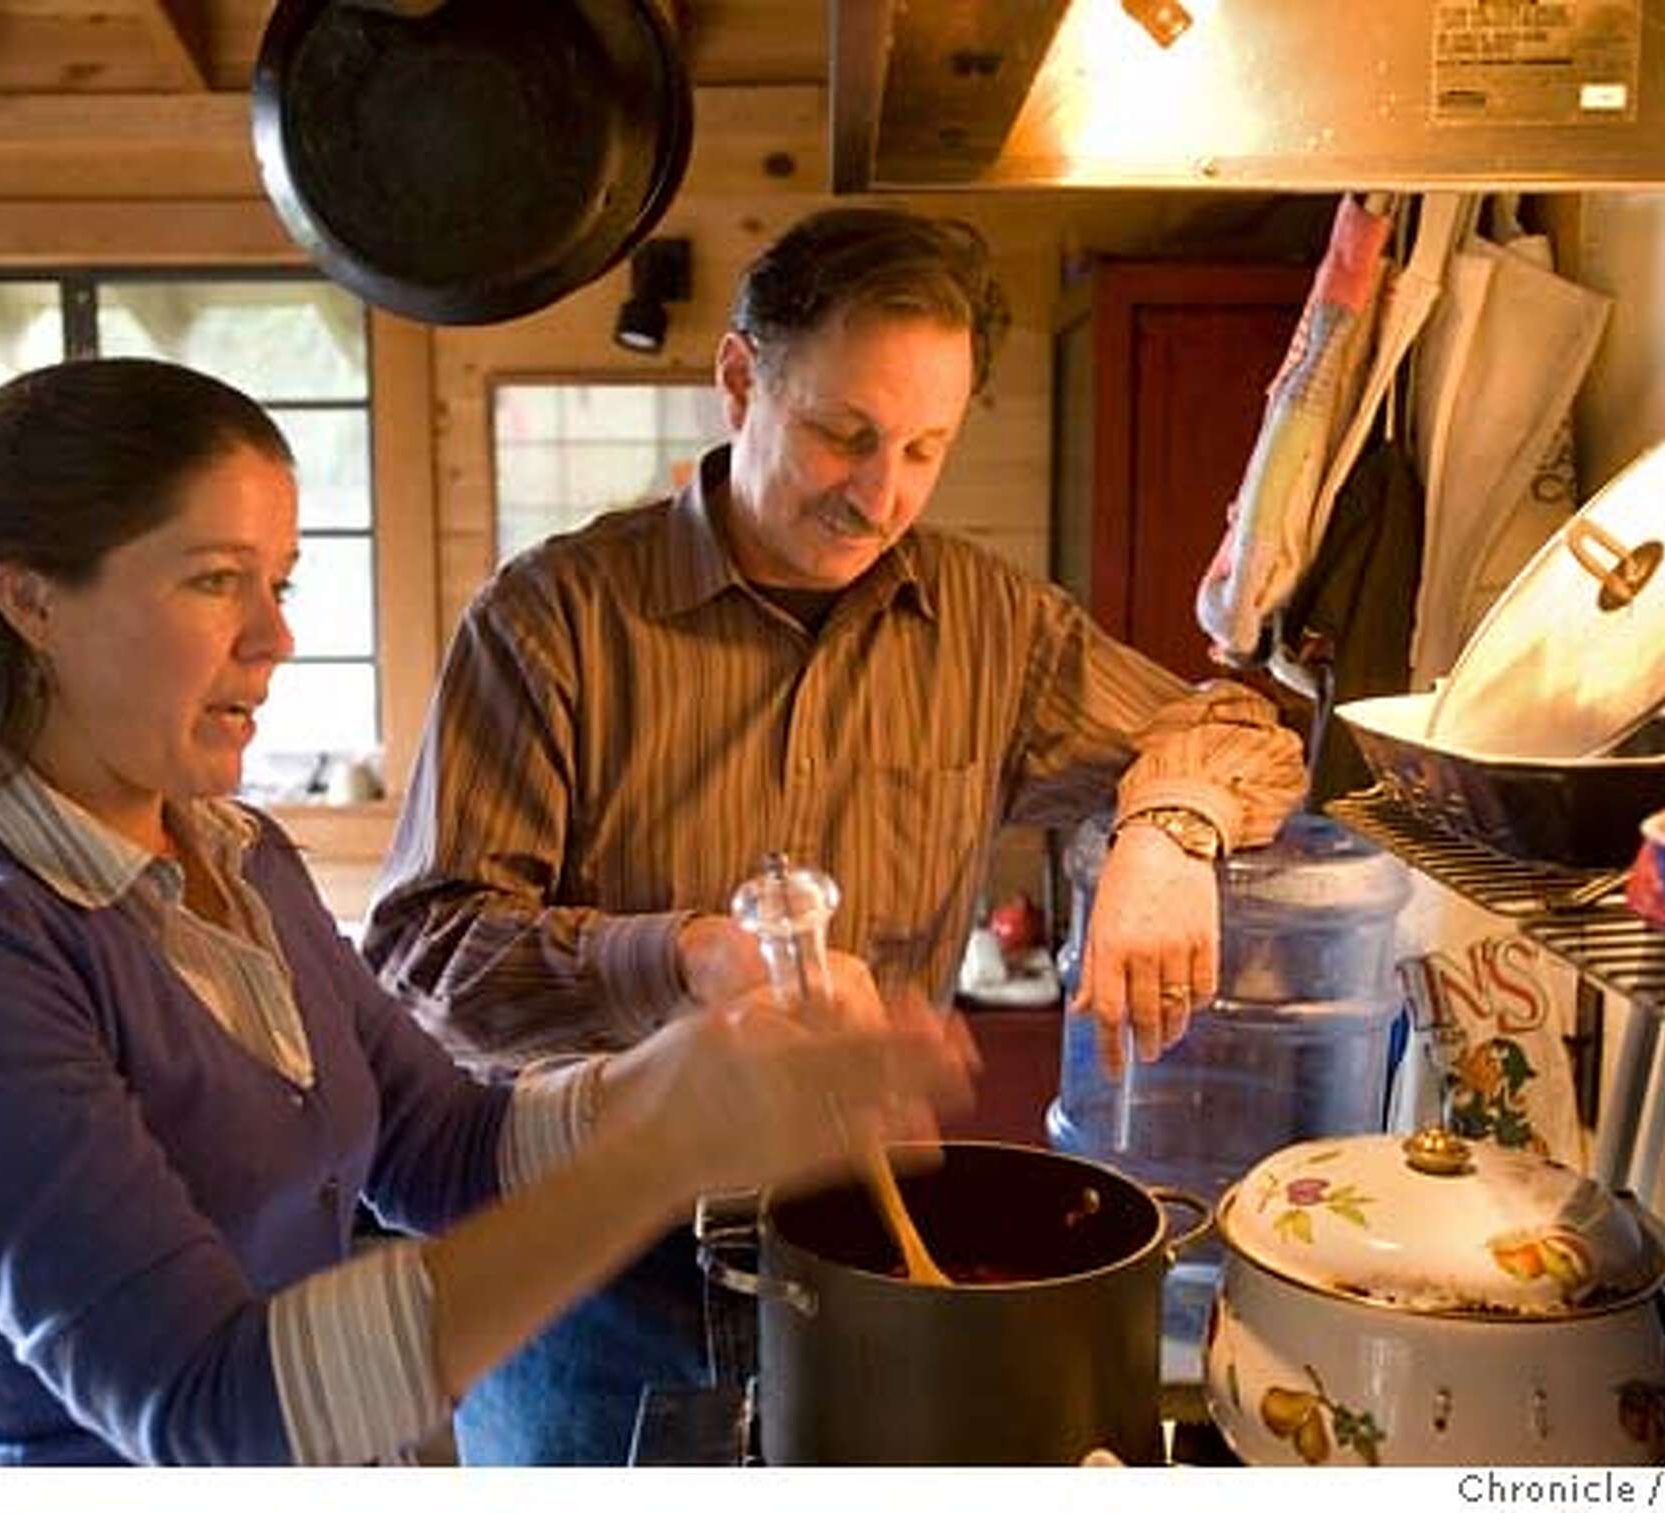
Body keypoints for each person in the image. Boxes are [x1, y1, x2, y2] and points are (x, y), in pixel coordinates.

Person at [0, 357, 969, 1466]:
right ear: (31, 601)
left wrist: (694, 1068)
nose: (274, 636)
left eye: (279, 582)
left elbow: (443, 1147)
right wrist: (663, 1151)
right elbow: (214, 1411)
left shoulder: (240, 859)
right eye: (216, 581)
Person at [362, 206, 1309, 1464]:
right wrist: (681, 958)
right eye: (842, 434)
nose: (880, 496)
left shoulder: (991, 627)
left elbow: (1249, 737)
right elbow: (425, 956)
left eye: (925, 447)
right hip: (586, 1271)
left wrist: (1166, 827)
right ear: (739, 380)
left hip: (865, 1255)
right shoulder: (552, 621)